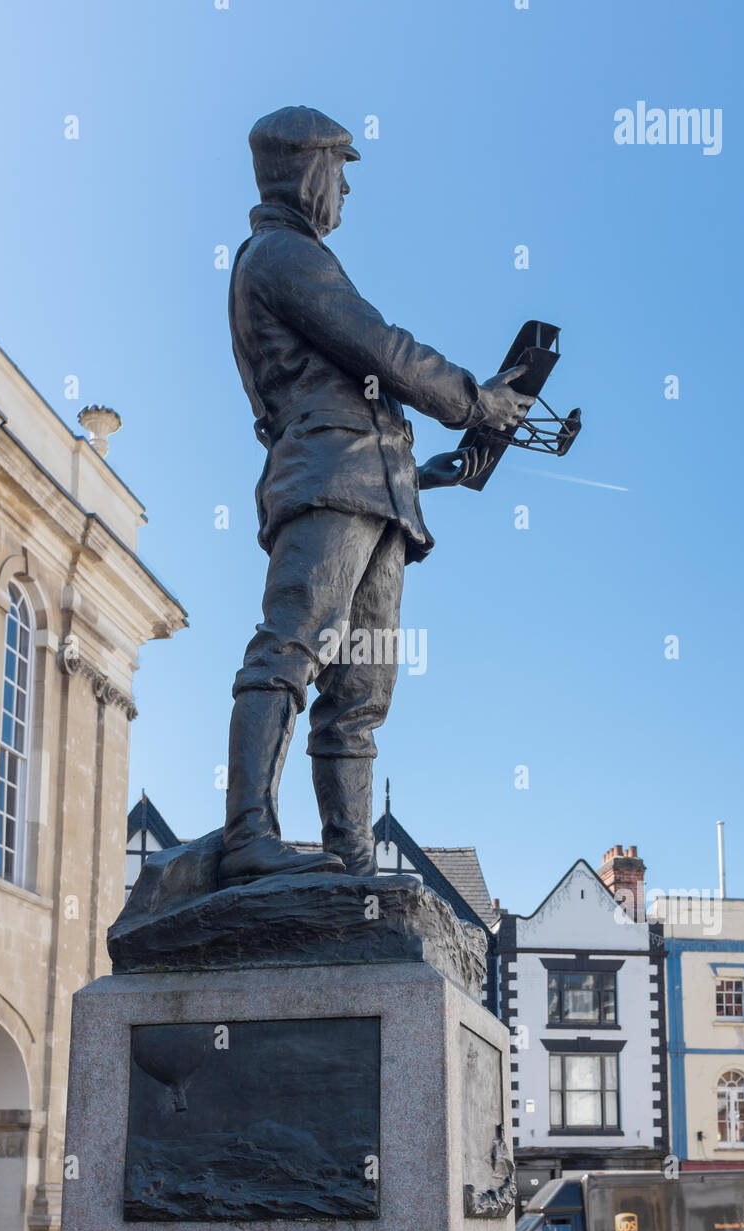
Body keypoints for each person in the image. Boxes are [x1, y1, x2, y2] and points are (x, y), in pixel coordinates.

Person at [220, 105, 533, 884]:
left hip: (373, 497)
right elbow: (380, 349)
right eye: (343, 172)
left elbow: (355, 398)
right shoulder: (282, 255)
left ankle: (349, 860)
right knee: (292, 645)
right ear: (308, 170)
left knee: (361, 689)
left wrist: (422, 476)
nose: (349, 193)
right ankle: (247, 834)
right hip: (326, 486)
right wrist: (475, 401)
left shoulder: (297, 256)